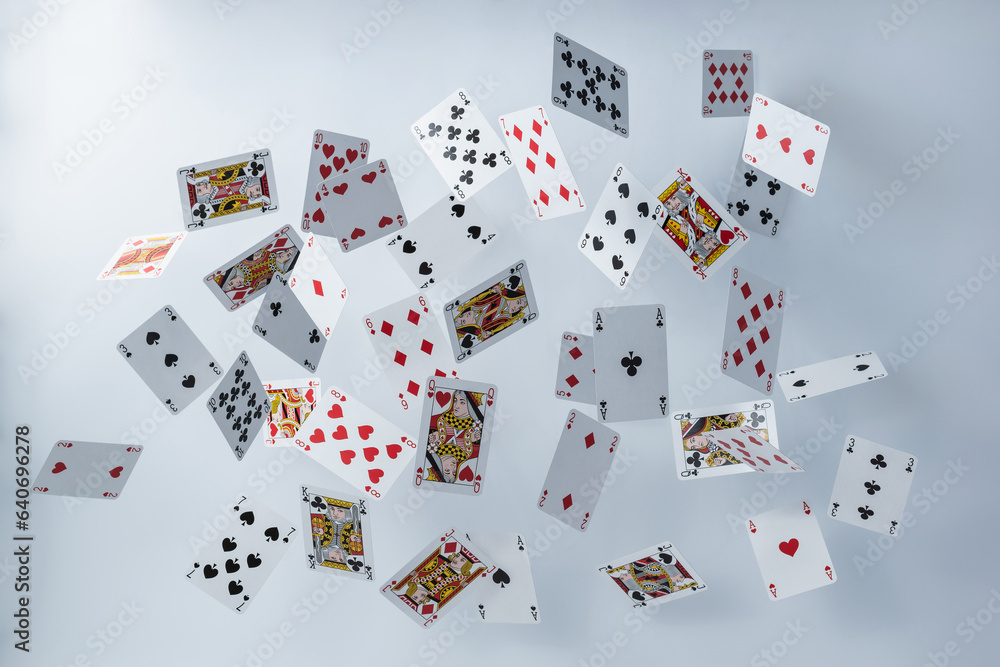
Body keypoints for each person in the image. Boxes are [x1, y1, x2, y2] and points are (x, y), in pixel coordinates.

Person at [424, 390, 485, 484]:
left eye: (462, 402)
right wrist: (475, 440)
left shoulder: (434, 445)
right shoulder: (467, 453)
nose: (456, 405)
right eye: (455, 400)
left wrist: (433, 434)